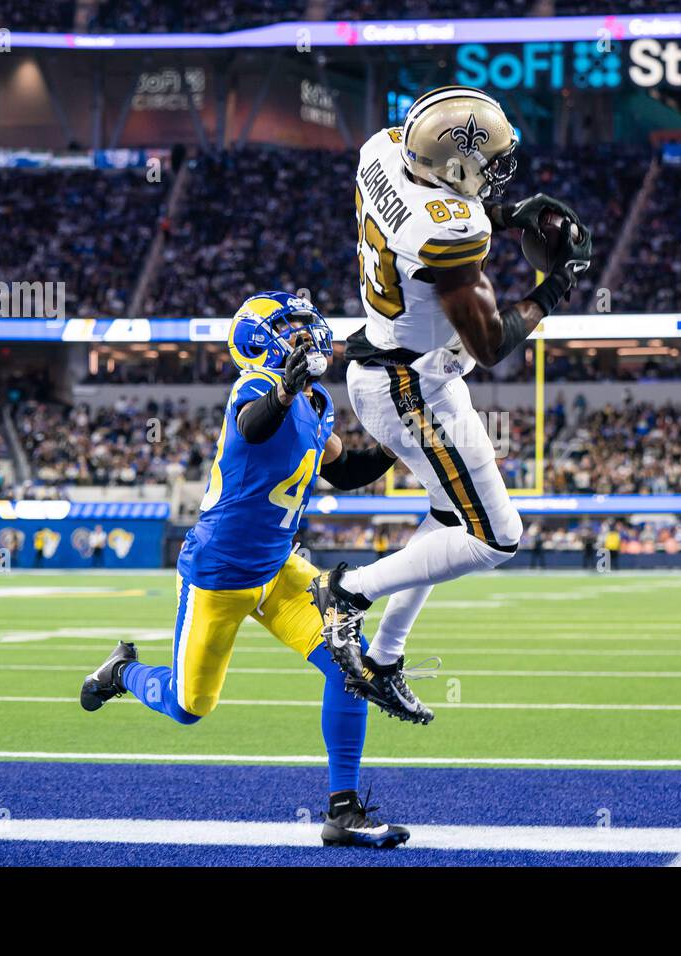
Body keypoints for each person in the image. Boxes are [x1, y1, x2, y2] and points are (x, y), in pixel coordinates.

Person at [79, 292, 408, 848]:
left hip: (279, 568)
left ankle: (344, 811)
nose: (307, 337)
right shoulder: (256, 388)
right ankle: (122, 673)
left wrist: (407, 443)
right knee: (190, 707)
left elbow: (346, 470)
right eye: (293, 329)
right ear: (262, 340)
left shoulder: (316, 401)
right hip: (220, 574)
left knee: (350, 664)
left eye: (307, 328)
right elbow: (254, 427)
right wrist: (284, 389)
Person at [310, 86, 593, 722]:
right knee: (498, 538)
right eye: (486, 164)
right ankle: (346, 593)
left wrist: (506, 215)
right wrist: (557, 288)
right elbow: (489, 343)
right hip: (413, 388)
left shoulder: (382, 150)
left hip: (393, 364)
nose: (495, 173)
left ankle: (385, 657)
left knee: (447, 516)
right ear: (454, 168)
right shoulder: (451, 233)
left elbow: (433, 202)